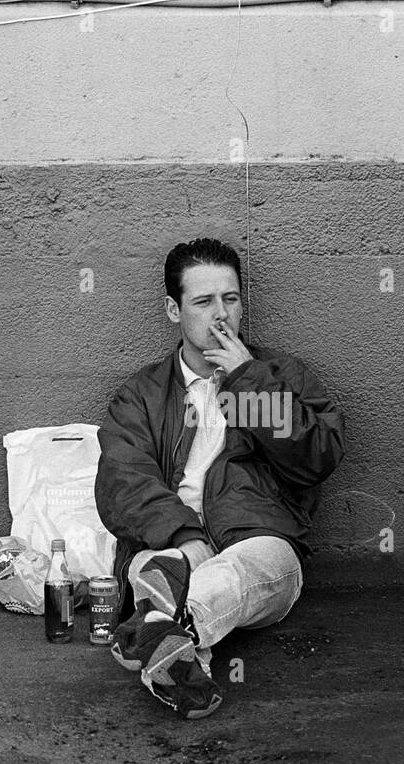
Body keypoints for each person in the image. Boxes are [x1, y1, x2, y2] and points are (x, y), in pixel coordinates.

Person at [95, 238, 345, 718]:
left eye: (230, 299)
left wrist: (247, 380)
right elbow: (122, 482)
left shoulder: (281, 375)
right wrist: (186, 536)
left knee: (240, 570)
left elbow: (317, 458)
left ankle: (158, 624)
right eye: (204, 302)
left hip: (258, 543)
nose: (221, 316)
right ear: (174, 310)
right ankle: (180, 661)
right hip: (167, 544)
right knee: (159, 566)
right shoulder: (142, 394)